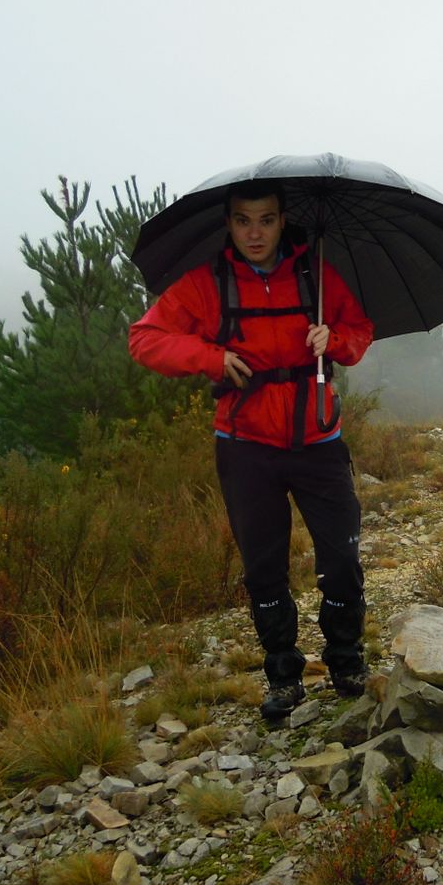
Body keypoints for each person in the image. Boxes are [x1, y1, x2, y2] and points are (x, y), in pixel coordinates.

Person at [129, 184, 375, 722]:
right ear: (229, 224)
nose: (256, 233)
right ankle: (283, 675)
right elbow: (144, 339)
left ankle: (346, 660)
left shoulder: (315, 274)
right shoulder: (206, 284)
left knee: (341, 558)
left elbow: (360, 333)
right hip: (246, 448)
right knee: (264, 567)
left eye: (266, 220)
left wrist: (333, 339)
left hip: (318, 440)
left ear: (283, 219)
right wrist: (208, 357)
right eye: (244, 221)